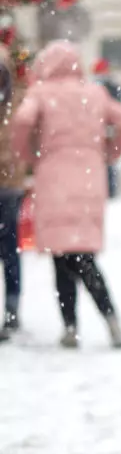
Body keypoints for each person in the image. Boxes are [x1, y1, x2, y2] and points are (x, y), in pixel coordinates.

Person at [12, 40, 121, 348]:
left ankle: (71, 326)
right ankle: (110, 320)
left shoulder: (41, 93)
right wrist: (110, 152)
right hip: (90, 177)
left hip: (53, 177)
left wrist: (29, 154)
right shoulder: (94, 93)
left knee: (62, 257)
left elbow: (22, 121)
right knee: (84, 256)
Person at [0, 45, 27, 341]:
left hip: (8, 185)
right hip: (10, 183)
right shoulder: (18, 97)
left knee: (9, 249)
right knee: (9, 249)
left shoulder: (18, 99)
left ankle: (11, 309)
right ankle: (11, 308)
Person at [92, 58, 121, 198]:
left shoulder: (98, 87)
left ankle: (108, 188)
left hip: (104, 126)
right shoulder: (110, 86)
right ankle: (109, 188)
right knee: (108, 159)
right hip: (106, 126)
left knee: (106, 160)